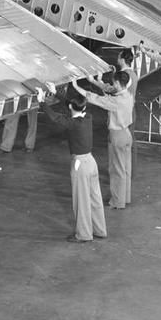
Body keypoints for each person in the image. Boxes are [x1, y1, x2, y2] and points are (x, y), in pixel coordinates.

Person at [41, 88, 107, 243]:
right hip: (91, 161)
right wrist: (55, 92)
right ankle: (99, 229)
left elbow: (54, 117)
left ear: (71, 107)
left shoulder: (72, 124)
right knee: (95, 198)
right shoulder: (87, 117)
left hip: (80, 165)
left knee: (81, 200)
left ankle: (84, 234)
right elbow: (72, 105)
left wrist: (41, 101)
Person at [71, 70, 135, 210]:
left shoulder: (115, 101)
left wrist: (76, 87)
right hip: (127, 134)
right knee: (125, 168)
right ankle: (125, 197)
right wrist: (94, 81)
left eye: (114, 83)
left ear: (118, 83)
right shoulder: (128, 94)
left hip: (117, 136)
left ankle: (117, 202)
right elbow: (109, 90)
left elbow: (94, 98)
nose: (112, 85)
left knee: (116, 170)